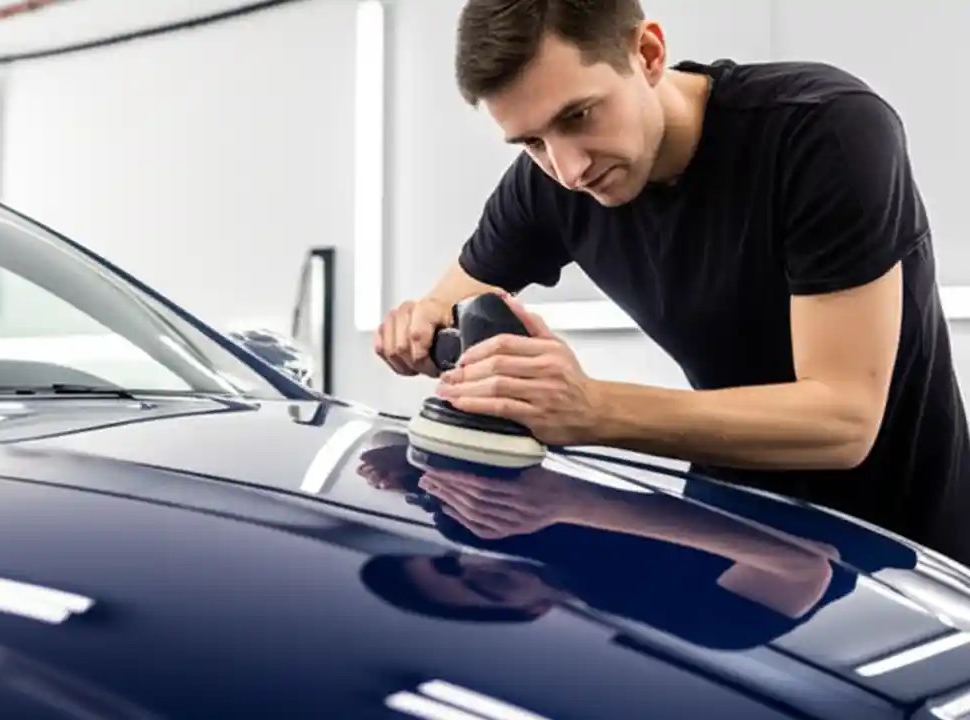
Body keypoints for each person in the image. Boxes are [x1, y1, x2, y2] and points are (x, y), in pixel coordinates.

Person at [373, 0, 970, 566]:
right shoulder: (549, 183)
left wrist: (591, 408)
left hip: (903, 556)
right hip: (732, 531)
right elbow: (446, 301)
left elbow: (843, 423)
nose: (570, 168)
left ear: (649, 54)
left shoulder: (825, 132)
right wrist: (421, 324)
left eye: (578, 115)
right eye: (531, 142)